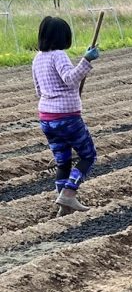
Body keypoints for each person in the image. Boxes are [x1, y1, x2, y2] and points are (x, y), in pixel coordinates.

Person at [31, 16, 100, 216]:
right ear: (62, 37)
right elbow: (70, 79)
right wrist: (86, 60)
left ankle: (64, 204)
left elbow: (38, 90)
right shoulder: (58, 55)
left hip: (46, 118)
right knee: (88, 155)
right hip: (67, 118)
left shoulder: (37, 59)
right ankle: (69, 193)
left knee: (63, 161)